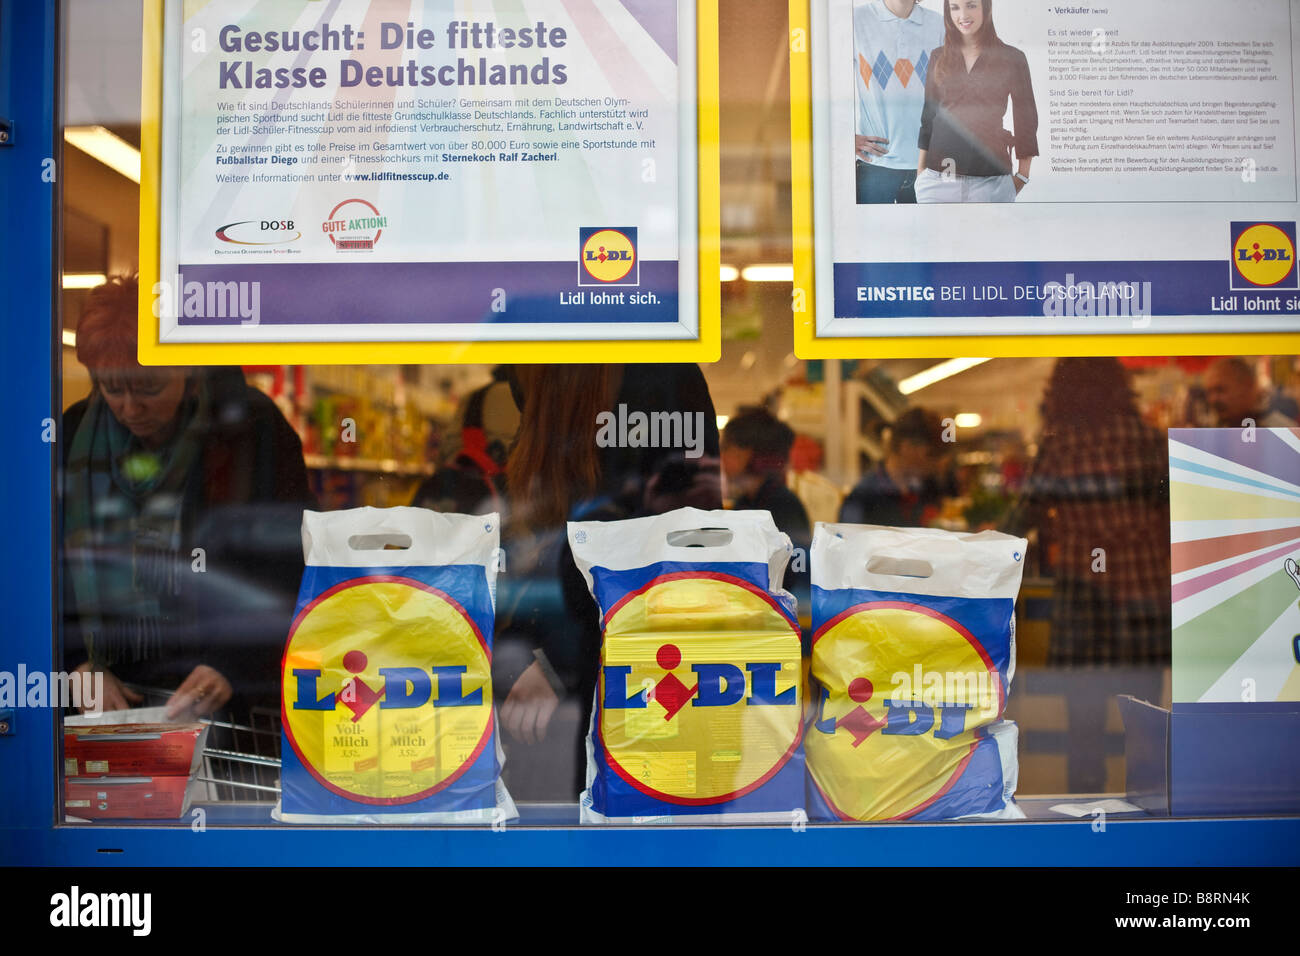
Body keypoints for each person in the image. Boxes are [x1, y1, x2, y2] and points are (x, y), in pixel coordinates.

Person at [63, 276, 314, 721]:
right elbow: (39, 566)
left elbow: (290, 559)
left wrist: (231, 664)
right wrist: (76, 663)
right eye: (112, 388)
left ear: (189, 369)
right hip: (103, 706)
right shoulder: (72, 436)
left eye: (148, 388)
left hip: (225, 707)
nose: (129, 408)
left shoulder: (251, 429)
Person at [496, 364, 721, 794]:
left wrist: (543, 657)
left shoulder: (571, 408)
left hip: (608, 673)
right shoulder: (670, 375)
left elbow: (552, 561)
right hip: (648, 663)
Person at [1004, 358, 1168, 793]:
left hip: (1086, 597)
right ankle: (1149, 815)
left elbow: (1021, 518)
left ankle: (1087, 817)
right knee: (1147, 727)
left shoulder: (1060, 449)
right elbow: (1175, 518)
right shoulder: (1148, 443)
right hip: (1143, 600)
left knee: (1084, 730)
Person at [915, 0, 1037, 203]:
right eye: (955, 7)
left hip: (991, 182)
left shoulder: (1012, 58)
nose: (962, 15)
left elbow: (1026, 119)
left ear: (985, 8)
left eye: (971, 5)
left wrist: (1022, 176)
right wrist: (920, 172)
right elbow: (928, 117)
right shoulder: (938, 56)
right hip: (938, 181)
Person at [852, 0, 944, 204]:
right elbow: (825, 83)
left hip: (928, 166)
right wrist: (845, 137)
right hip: (874, 166)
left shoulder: (939, 24)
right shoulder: (856, 20)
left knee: (926, 236)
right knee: (873, 236)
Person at [839, 407, 949, 527]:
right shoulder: (865, 497)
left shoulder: (924, 491)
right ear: (906, 447)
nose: (937, 464)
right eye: (931, 455)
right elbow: (846, 541)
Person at [1203, 357, 1299, 429]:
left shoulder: (1283, 431)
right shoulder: (1213, 431)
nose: (1213, 399)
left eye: (1220, 390)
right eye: (1209, 392)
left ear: (1247, 386)